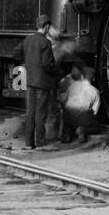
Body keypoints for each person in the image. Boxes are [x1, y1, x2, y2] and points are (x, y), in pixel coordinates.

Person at [18, 14, 58, 149]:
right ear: (46, 27)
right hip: (42, 83)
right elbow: (48, 64)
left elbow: (15, 53)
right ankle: (40, 142)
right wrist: (56, 72)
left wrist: (27, 62)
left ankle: (29, 143)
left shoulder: (28, 40)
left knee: (30, 112)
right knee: (40, 113)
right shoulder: (45, 42)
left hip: (30, 82)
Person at [60, 64, 101, 143]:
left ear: (82, 76)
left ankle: (67, 132)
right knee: (96, 126)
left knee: (67, 113)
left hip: (69, 116)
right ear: (93, 79)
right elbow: (95, 112)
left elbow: (63, 100)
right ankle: (82, 130)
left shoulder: (73, 85)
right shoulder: (95, 91)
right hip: (83, 118)